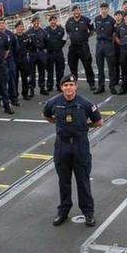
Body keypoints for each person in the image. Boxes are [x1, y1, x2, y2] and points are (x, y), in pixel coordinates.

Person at [43, 74, 103, 227]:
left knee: (83, 181)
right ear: (61, 87)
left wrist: (84, 127)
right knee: (63, 181)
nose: (68, 88)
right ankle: (63, 211)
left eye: (71, 85)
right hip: (62, 146)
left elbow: (99, 121)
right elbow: (47, 116)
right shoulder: (53, 103)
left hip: (79, 146)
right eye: (65, 85)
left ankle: (88, 213)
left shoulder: (85, 103)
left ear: (76, 86)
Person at [65, 6, 96, 90]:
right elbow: (67, 31)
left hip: (83, 46)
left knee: (87, 66)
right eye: (74, 10)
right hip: (73, 47)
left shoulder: (86, 20)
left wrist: (85, 37)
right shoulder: (69, 21)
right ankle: (74, 83)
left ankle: (91, 83)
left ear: (80, 11)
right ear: (72, 12)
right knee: (72, 66)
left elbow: (92, 30)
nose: (76, 12)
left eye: (78, 10)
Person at [25, 17, 48, 97]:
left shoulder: (43, 32)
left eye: (37, 21)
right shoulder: (28, 32)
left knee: (42, 71)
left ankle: (42, 88)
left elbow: (46, 42)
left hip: (41, 53)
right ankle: (31, 89)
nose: (36, 23)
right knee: (32, 73)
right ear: (32, 22)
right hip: (32, 54)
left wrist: (44, 51)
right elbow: (26, 44)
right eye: (35, 21)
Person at [45, 15, 67, 93]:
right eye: (51, 20)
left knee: (60, 71)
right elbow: (43, 41)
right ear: (49, 21)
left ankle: (59, 86)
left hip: (58, 53)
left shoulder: (61, 30)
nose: (53, 22)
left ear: (56, 21)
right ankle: (49, 86)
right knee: (49, 71)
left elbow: (64, 40)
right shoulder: (46, 30)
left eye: (54, 20)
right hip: (49, 53)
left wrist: (59, 46)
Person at [12, 21, 32, 100]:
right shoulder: (13, 37)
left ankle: (25, 93)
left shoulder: (26, 36)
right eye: (18, 27)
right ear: (16, 28)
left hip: (23, 59)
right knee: (15, 78)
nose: (20, 28)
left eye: (21, 27)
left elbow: (29, 46)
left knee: (25, 77)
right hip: (15, 59)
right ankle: (15, 95)